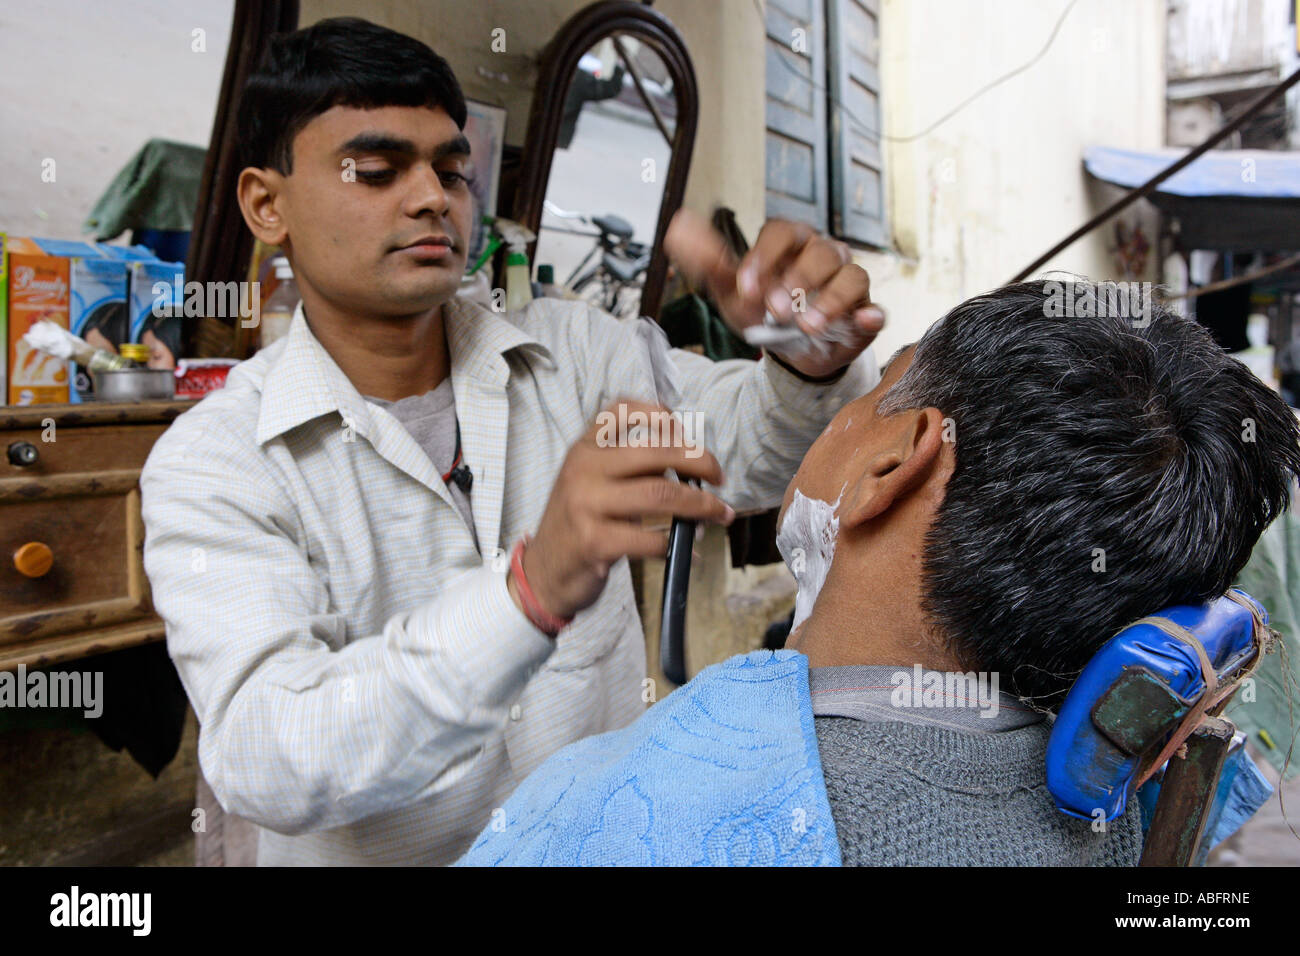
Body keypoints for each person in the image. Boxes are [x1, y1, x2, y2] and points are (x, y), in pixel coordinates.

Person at [138, 17, 884, 865]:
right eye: (377, 171)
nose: (431, 198)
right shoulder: (217, 461)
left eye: (453, 171)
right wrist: (527, 591)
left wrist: (807, 367)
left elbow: (747, 452)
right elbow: (268, 755)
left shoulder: (574, 354)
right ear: (266, 205)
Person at [459, 279, 1300, 866]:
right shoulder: (1136, 809)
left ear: (894, 463)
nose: (842, 415)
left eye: (871, 396)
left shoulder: (601, 812)